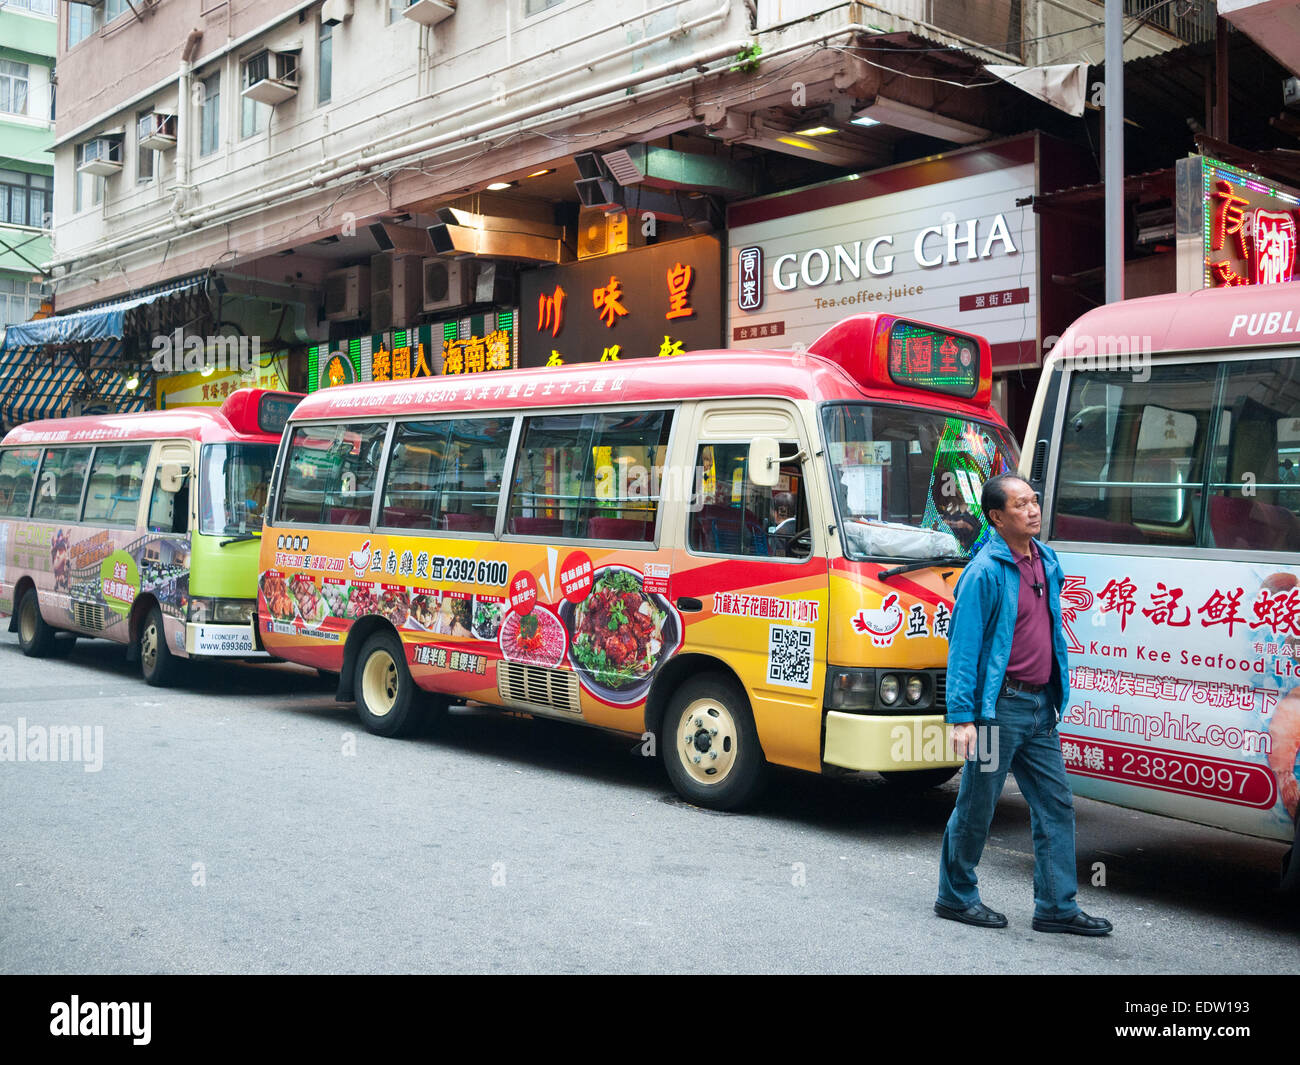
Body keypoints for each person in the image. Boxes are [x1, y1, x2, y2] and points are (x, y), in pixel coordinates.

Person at [934, 473, 1112, 936]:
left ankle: (1056, 905)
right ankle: (955, 895)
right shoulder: (985, 573)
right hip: (997, 711)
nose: (1033, 510)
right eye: (1020, 505)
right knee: (977, 804)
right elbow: (964, 648)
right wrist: (961, 718)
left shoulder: (1046, 561)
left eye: (1034, 501)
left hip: (1039, 711)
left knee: (1056, 805)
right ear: (996, 517)